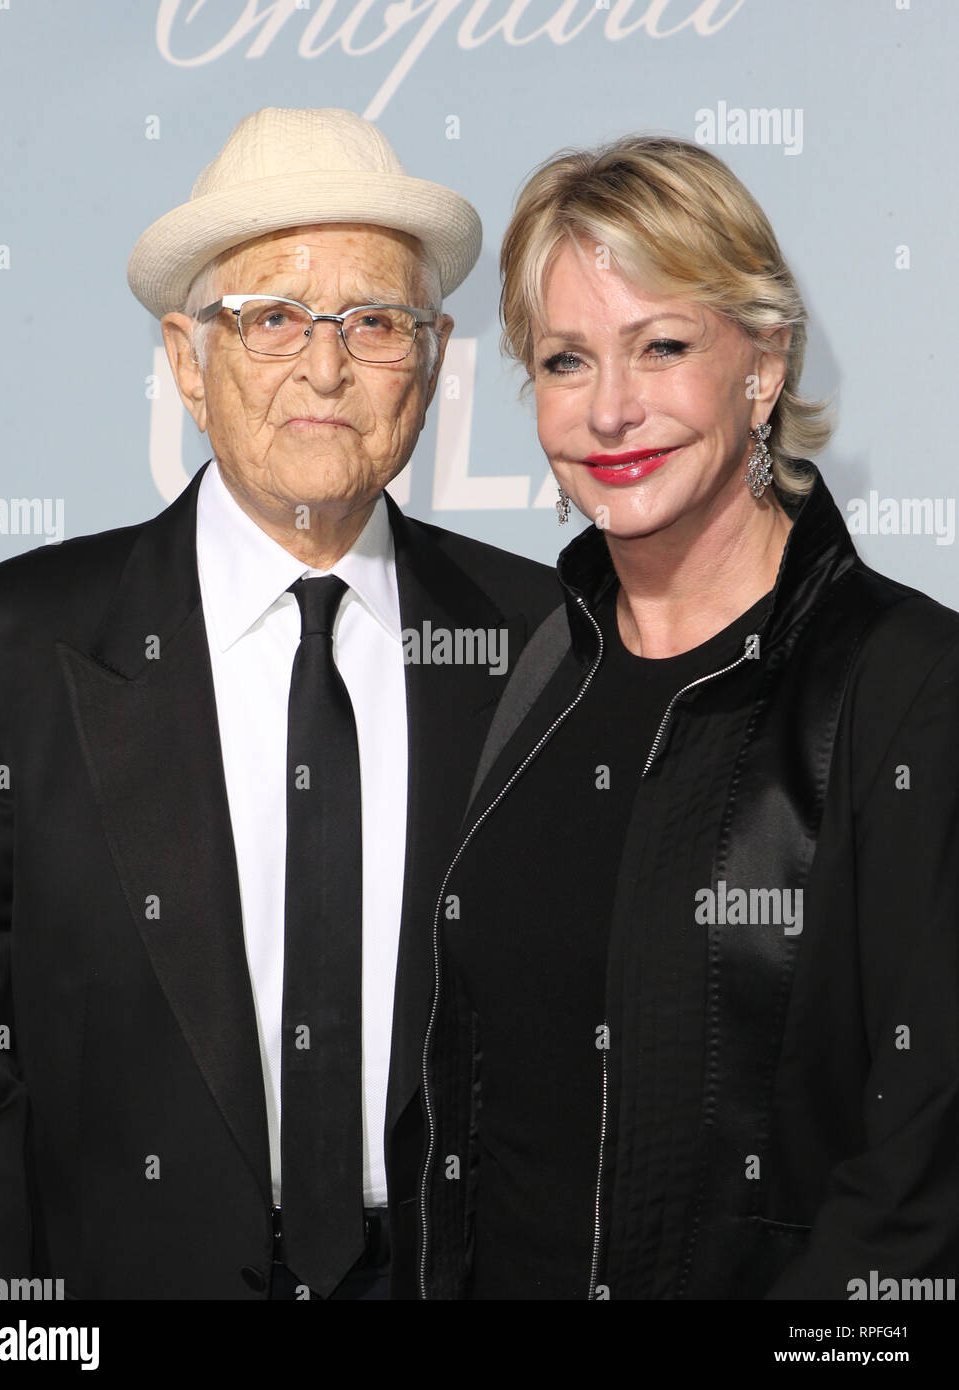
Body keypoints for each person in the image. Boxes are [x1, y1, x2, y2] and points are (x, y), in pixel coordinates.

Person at [0, 106, 560, 1301]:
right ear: (187, 358)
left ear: (432, 362)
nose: (324, 368)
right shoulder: (2, 651)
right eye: (271, 317)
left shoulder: (545, 641)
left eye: (373, 323)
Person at [419, 135, 959, 1300]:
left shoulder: (912, 687)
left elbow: (923, 1179)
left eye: (661, 346)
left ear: (762, 365)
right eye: (566, 360)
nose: (611, 410)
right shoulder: (533, 672)